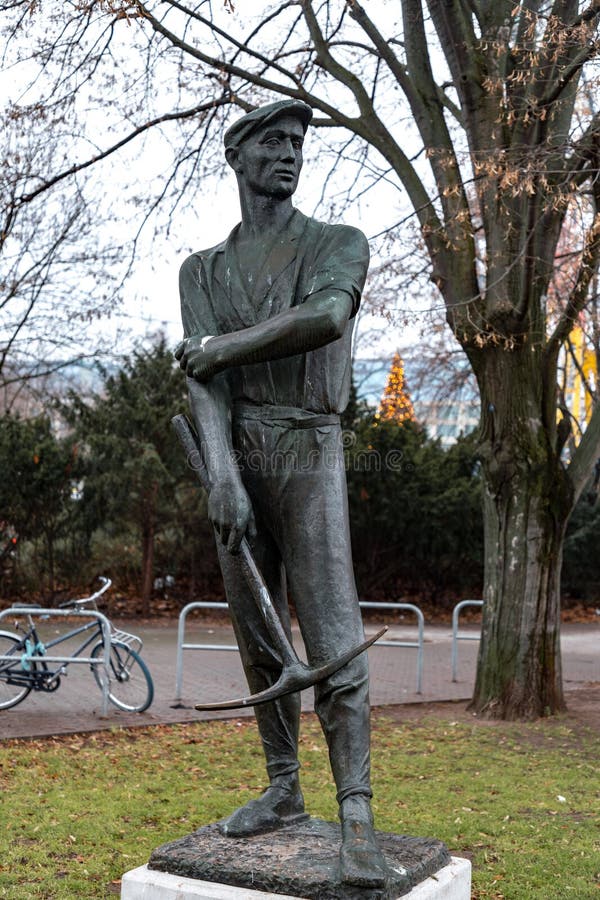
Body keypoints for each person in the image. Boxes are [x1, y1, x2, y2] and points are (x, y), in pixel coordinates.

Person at [175, 99, 388, 888]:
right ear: (237, 157)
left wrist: (220, 347)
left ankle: (356, 814)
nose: (289, 153)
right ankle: (283, 789)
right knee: (257, 630)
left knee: (333, 627)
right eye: (272, 142)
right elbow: (205, 386)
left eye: (297, 143)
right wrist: (222, 480)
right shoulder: (202, 271)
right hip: (236, 453)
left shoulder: (338, 244)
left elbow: (328, 316)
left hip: (308, 444)